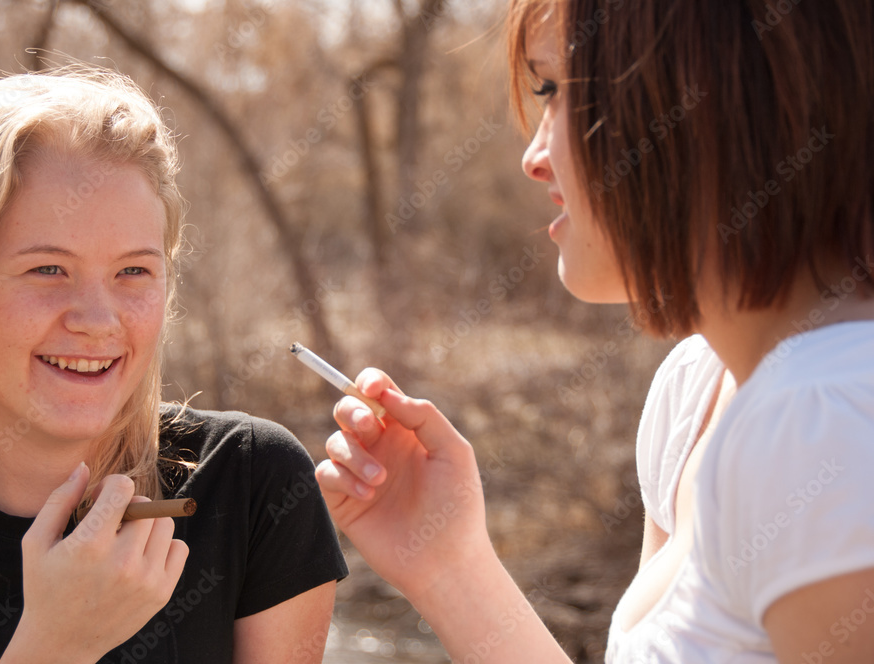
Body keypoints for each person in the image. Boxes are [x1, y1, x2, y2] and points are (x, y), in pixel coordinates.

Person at [315, 0, 874, 662]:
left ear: (701, 98)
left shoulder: (829, 421)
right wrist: (446, 565)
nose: (533, 157)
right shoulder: (695, 393)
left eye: (554, 89)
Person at [0, 68, 347, 663]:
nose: (99, 321)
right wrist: (56, 646)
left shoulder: (254, 484)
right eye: (48, 268)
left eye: (133, 272)